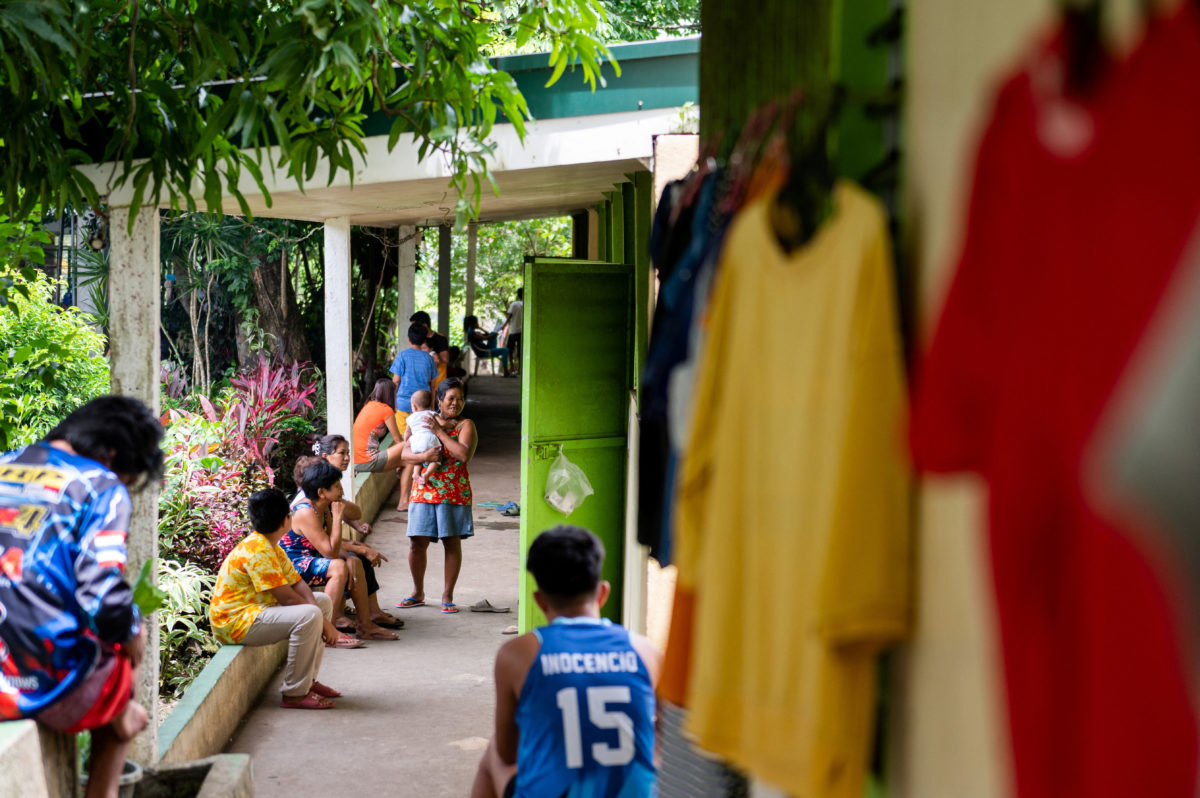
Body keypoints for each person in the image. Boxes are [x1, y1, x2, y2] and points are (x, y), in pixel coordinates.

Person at [0, 396, 164, 798]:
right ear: (113, 455)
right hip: (45, 682)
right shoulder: (99, 484)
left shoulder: (5, 463)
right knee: (128, 621)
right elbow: (104, 598)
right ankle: (108, 774)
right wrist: (130, 630)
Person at [471, 525, 661, 798]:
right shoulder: (645, 651)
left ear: (540, 601)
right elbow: (665, 742)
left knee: (492, 754)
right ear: (603, 593)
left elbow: (507, 752)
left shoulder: (517, 654)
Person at [209, 489, 341, 709]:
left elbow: (297, 583)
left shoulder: (271, 544)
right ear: (284, 521)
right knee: (310, 615)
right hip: (234, 624)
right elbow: (288, 598)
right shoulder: (258, 549)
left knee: (321, 603)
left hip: (256, 612)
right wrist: (326, 624)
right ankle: (295, 694)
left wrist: (323, 618)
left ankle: (307, 681)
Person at [281, 460, 399, 642]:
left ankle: (365, 626)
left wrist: (351, 556)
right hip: (292, 564)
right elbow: (329, 552)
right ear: (321, 492)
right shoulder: (305, 512)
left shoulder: (324, 507)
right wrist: (337, 519)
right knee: (338, 567)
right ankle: (327, 631)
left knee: (355, 561)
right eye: (336, 487)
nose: (341, 491)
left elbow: (333, 545)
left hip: (312, 558)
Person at [396, 377, 477, 614]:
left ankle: (446, 596)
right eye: (451, 398)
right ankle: (417, 592)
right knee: (416, 542)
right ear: (439, 399)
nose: (456, 403)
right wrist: (424, 458)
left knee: (451, 543)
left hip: (453, 491)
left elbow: (463, 454)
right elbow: (406, 454)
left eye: (460, 399)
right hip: (424, 489)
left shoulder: (466, 425)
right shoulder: (422, 419)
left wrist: (440, 432)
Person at [390, 322, 439, 510]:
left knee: (410, 452)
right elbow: (432, 386)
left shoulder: (402, 356)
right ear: (424, 339)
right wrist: (432, 410)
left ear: (409, 339)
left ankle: (403, 499)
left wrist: (391, 405)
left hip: (403, 408)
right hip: (423, 409)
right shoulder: (428, 359)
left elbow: (395, 382)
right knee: (413, 452)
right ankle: (406, 491)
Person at [352, 379, 406, 475]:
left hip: (356, 461)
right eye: (395, 393)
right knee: (408, 448)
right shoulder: (386, 410)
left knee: (406, 460)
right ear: (390, 394)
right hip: (368, 460)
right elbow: (398, 440)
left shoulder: (368, 405)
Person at [405, 389, 444, 482]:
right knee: (436, 459)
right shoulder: (432, 413)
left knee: (418, 459)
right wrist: (451, 424)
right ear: (430, 405)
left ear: (414, 406)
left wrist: (407, 441)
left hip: (415, 441)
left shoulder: (410, 418)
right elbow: (442, 423)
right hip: (429, 439)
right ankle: (427, 474)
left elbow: (407, 433)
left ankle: (415, 473)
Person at [410, 310, 452, 391]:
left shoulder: (440, 338)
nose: (413, 328)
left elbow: (445, 359)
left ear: (425, 325)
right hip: (421, 384)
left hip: (438, 384)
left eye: (415, 325)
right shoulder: (418, 338)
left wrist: (431, 352)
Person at [503, 288, 524, 374]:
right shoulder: (526, 304)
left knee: (509, 350)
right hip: (522, 331)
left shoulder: (514, 304)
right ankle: (519, 369)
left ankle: (511, 367)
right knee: (520, 351)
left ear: (517, 295)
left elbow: (509, 316)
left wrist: (504, 325)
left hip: (514, 330)